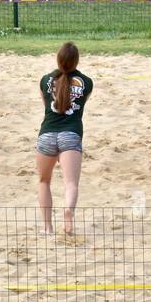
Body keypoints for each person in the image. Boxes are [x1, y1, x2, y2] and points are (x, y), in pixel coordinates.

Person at [36, 42, 92, 235]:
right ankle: (68, 210)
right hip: (71, 133)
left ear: (58, 59)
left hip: (47, 134)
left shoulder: (45, 80)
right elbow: (82, 103)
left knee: (44, 181)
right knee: (71, 183)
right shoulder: (86, 82)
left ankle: (47, 227)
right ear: (76, 60)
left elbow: (46, 105)